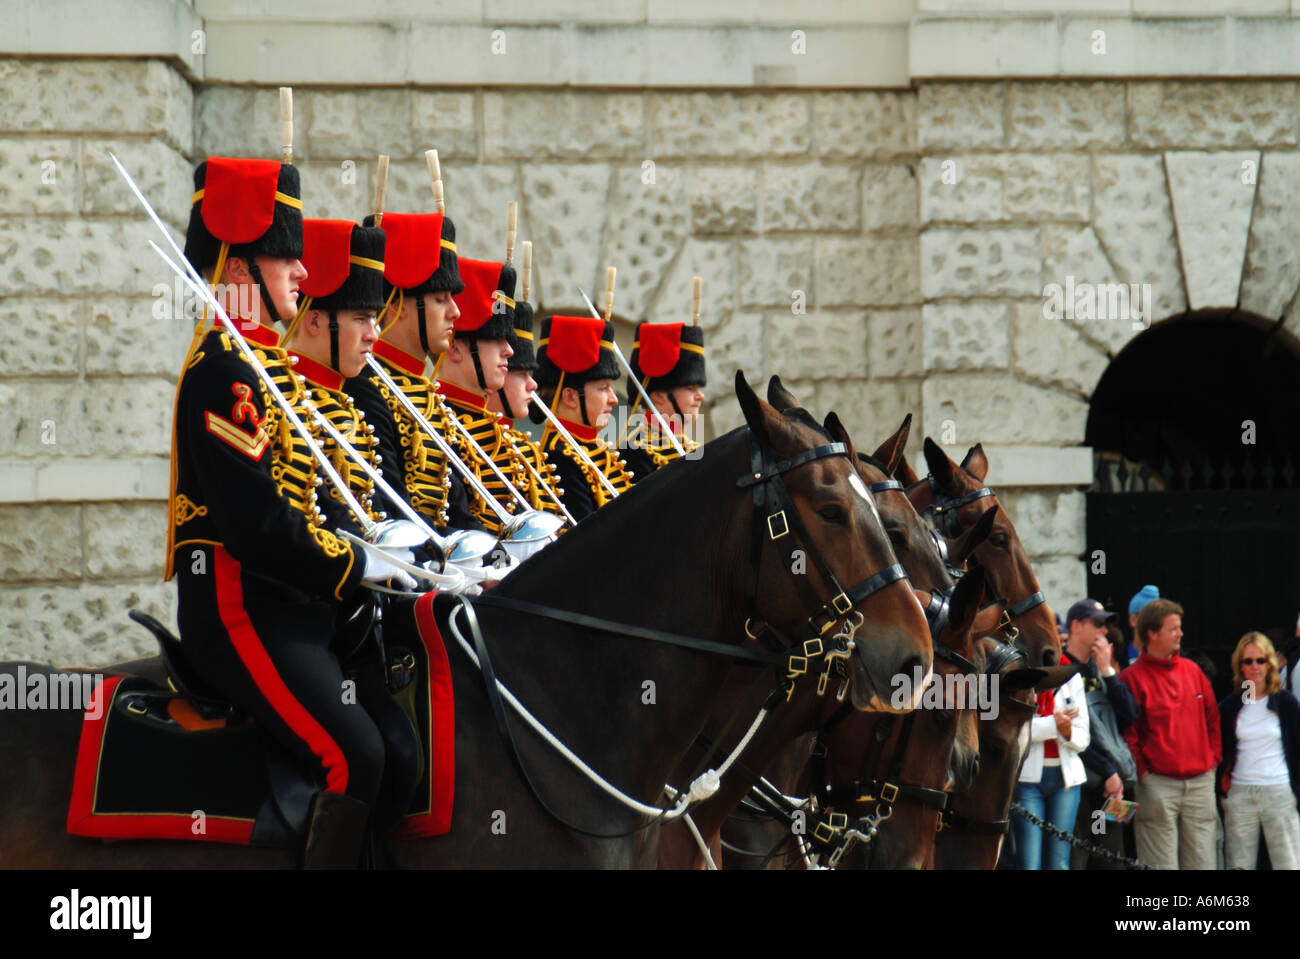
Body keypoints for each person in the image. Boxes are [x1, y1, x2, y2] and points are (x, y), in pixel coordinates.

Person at [170, 158, 410, 868]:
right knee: (353, 752)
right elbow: (258, 526)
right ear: (240, 264)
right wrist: (356, 562)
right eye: (286, 255)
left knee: (398, 743)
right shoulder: (225, 371)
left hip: (293, 606)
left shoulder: (259, 371)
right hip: (240, 607)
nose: (304, 272)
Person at [343, 207, 481, 533]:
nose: (455, 312)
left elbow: (457, 508)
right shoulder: (365, 386)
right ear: (396, 305)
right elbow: (393, 507)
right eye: (440, 299)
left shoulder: (429, 397)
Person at [437, 257, 564, 532]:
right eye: (495, 339)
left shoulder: (501, 438)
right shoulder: (437, 423)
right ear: (455, 349)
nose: (508, 350)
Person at [1121, 598, 1221, 870]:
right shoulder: (1131, 678)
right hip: (1157, 786)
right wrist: (1144, 774)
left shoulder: (1193, 671)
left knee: (1203, 864)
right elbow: (1128, 734)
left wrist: (1212, 763)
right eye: (1174, 628)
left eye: (1180, 628)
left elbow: (1213, 717)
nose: (1181, 634)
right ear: (1152, 634)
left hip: (1200, 782)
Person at [532, 314, 637, 522]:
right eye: (603, 388)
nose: (614, 399)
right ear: (570, 396)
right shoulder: (558, 458)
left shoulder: (597, 451)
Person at [1061, 599, 1138, 869]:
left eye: (1105, 625)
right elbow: (1070, 735)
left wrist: (1108, 672)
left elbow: (1129, 716)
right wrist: (1107, 771)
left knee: (1112, 859)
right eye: (1097, 624)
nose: (1103, 631)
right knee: (1078, 858)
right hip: (1081, 783)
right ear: (1076, 626)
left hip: (1111, 788)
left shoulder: (1101, 669)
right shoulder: (1060, 669)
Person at [1217, 631, 1300, 870]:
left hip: (1279, 791)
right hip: (1240, 793)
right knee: (1239, 865)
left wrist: (1296, 790)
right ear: (1240, 666)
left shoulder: (1286, 703)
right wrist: (1225, 791)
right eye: (1248, 661)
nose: (1254, 666)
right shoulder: (1230, 706)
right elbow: (1223, 749)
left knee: (1288, 863)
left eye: (1260, 660)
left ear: (1270, 663)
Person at [1012, 666, 1089, 870]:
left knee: (1059, 862)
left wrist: (1066, 731)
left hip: (1066, 782)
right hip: (1027, 781)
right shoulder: (1021, 673)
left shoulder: (1072, 678)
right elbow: (1015, 728)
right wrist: (1055, 726)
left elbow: (1083, 738)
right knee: (1029, 863)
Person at [623, 319, 706, 479]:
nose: (700, 396)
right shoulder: (634, 454)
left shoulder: (694, 449)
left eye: (698, 388)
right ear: (659, 395)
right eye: (690, 388)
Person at [1126, 584, 1159, 663]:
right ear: (1133, 620)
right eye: (1150, 614)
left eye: (1159, 615)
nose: (1156, 620)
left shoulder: (1169, 652)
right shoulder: (1119, 653)